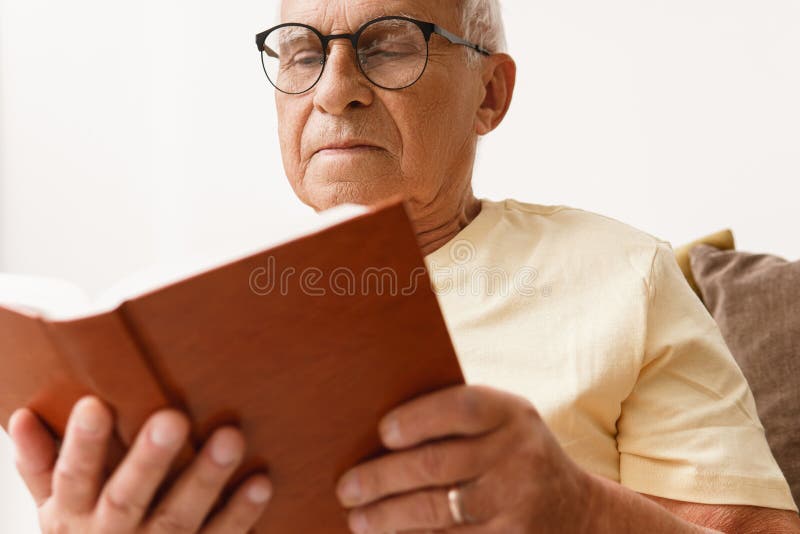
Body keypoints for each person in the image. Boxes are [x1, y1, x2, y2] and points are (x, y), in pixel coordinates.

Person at [8, 1, 799, 532]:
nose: (336, 89)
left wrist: (578, 509)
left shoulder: (627, 276)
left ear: (490, 91)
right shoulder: (195, 315)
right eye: (302, 52)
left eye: (388, 44)